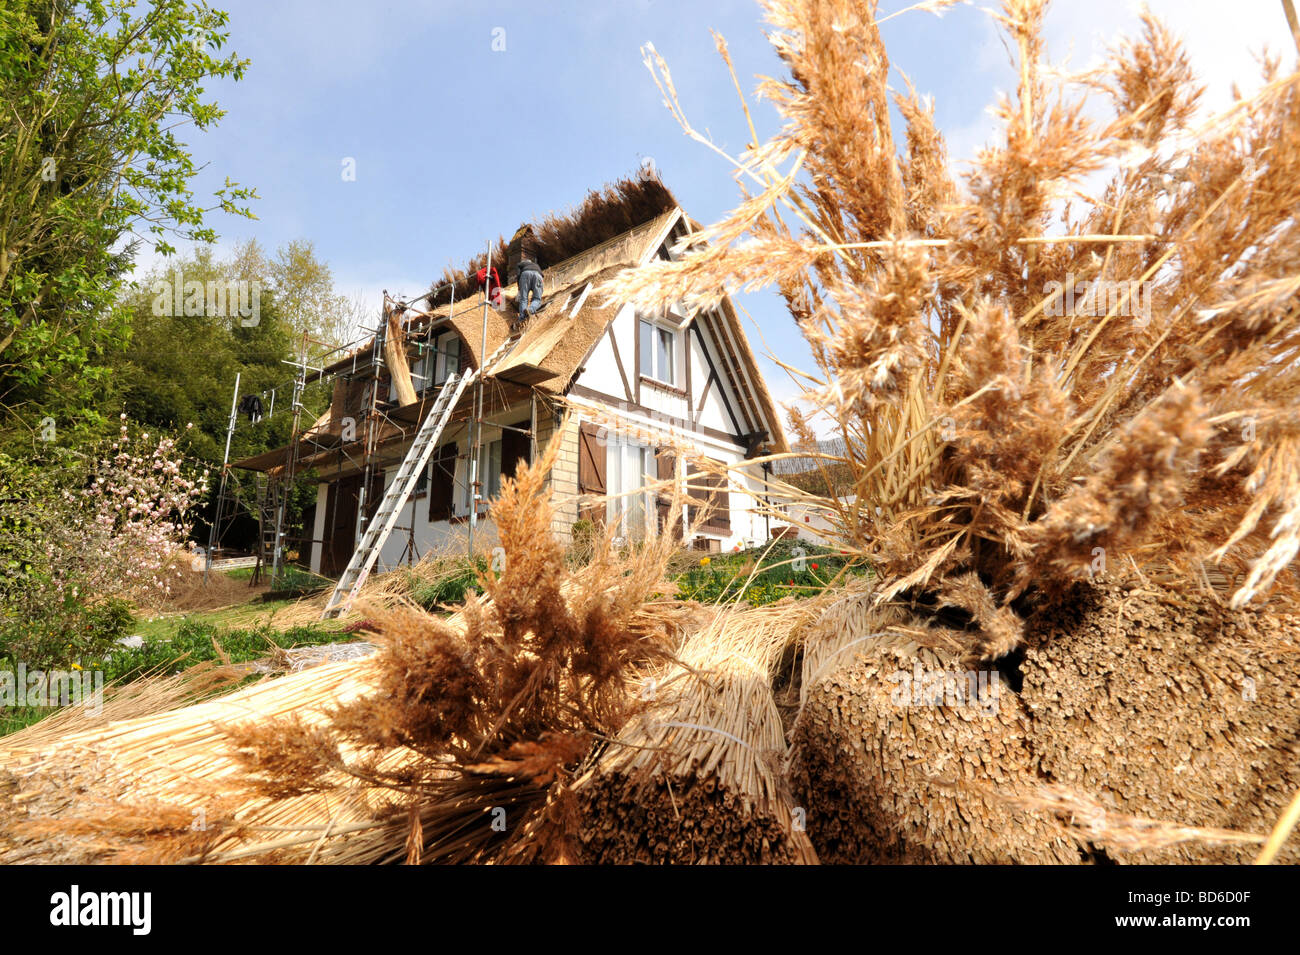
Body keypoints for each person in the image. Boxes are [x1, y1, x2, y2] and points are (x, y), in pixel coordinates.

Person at [516, 255, 546, 323]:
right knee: (537, 299)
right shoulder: (536, 265)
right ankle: (530, 309)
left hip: (525, 275)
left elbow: (518, 276)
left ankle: (522, 317)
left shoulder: (520, 264)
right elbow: (542, 277)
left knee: (523, 299)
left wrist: (519, 288)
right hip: (538, 275)